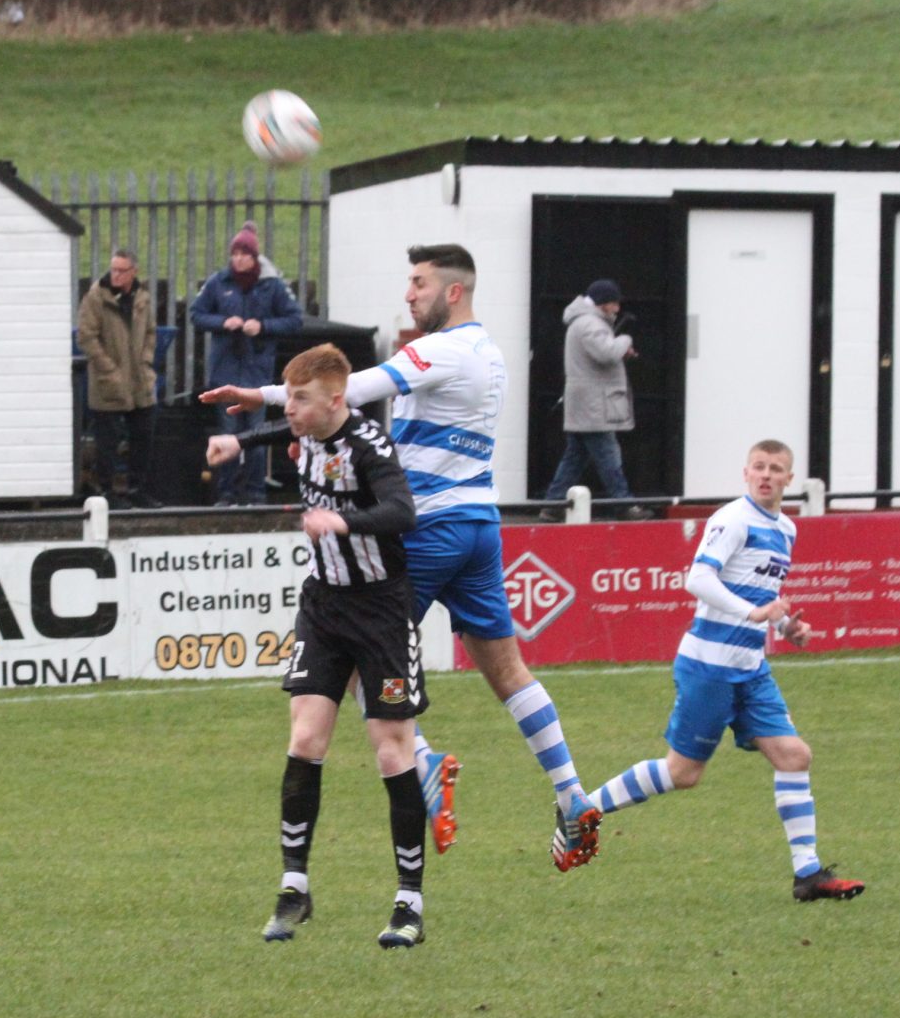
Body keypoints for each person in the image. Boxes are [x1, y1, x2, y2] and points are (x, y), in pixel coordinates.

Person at [204, 244, 603, 872]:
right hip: (479, 527)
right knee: (509, 673)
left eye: (418, 283)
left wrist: (263, 395)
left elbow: (349, 390)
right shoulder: (490, 354)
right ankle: (572, 794)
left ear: (453, 291)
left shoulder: (437, 349)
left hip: (426, 529)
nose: (409, 294)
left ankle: (426, 762)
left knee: (356, 656)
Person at [205, 344, 430, 948]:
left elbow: (403, 512)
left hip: (381, 609)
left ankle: (409, 902)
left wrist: (344, 523)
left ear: (338, 399)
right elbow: (285, 419)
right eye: (290, 397)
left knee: (391, 751)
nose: (292, 409)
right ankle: (294, 889)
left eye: (302, 399)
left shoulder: (369, 447)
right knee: (305, 738)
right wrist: (239, 443)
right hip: (324, 606)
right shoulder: (307, 429)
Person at [584, 440, 865, 902]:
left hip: (751, 669)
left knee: (794, 756)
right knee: (683, 773)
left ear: (789, 480)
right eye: (759, 467)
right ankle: (583, 810)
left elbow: (762, 592)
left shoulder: (787, 530)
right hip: (709, 667)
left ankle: (808, 875)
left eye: (776, 469)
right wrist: (752, 614)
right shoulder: (733, 519)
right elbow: (697, 578)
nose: (766, 475)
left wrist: (786, 625)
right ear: (746, 472)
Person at [191, 226, 302, 505]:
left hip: (257, 374)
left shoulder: (272, 285)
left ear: (255, 257)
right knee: (227, 434)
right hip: (225, 373)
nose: (239, 259)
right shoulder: (218, 282)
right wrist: (222, 323)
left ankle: (255, 493)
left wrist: (263, 327)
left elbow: (294, 320)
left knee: (255, 437)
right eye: (235, 254)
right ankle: (226, 493)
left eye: (244, 254)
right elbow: (196, 314)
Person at [541, 278, 652, 521]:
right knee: (609, 456)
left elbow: (601, 352)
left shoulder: (582, 323)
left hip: (585, 405)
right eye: (614, 304)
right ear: (603, 303)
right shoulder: (591, 324)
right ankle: (623, 504)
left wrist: (617, 345)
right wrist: (625, 340)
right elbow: (606, 353)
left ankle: (553, 504)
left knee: (574, 458)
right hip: (594, 406)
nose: (617, 309)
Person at [76, 248, 161, 508]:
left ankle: (137, 489)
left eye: (121, 270)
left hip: (139, 381)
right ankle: (107, 492)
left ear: (133, 272)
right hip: (108, 383)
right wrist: (108, 369)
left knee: (143, 436)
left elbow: (150, 332)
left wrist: (146, 360)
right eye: (113, 269)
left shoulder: (142, 297)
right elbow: (86, 337)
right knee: (108, 442)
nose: (116, 274)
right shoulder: (96, 298)